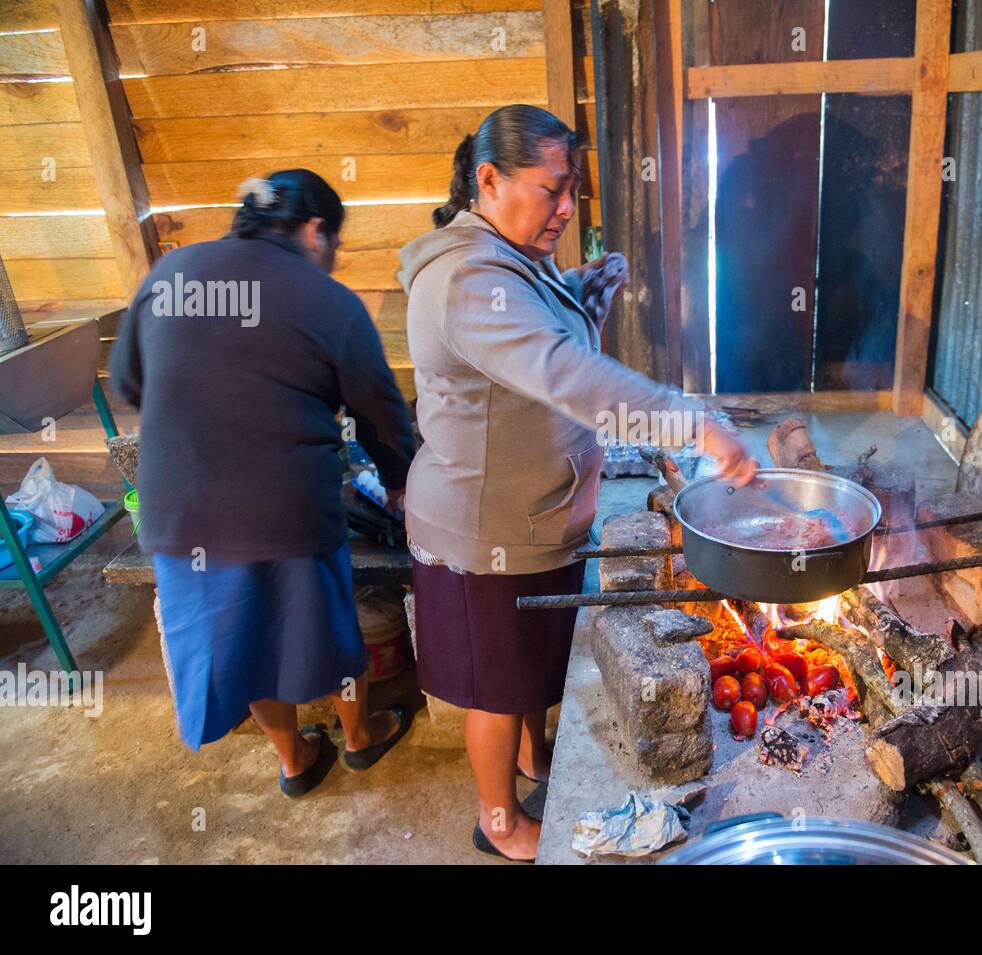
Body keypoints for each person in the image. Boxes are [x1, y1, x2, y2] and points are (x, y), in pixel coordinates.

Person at [398, 104, 756, 860]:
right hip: (483, 527)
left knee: (526, 665)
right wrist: (692, 423)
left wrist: (587, 291)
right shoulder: (467, 277)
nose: (567, 208)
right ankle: (499, 822)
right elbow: (565, 374)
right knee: (496, 688)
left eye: (572, 191)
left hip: (535, 515)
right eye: (552, 189)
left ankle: (535, 763)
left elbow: (546, 332)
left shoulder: (511, 254)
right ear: (488, 180)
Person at [110, 170, 418, 797]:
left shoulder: (172, 274)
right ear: (314, 230)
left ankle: (294, 760)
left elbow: (129, 384)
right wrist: (399, 483)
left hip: (180, 510)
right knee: (331, 634)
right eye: (333, 245)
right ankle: (358, 739)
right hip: (286, 510)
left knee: (238, 643)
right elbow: (379, 413)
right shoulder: (325, 299)